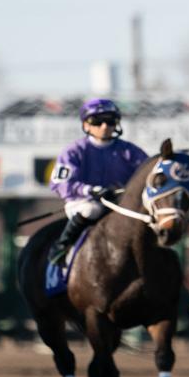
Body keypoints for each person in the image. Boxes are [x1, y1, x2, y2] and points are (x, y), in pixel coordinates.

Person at [47, 98, 150, 264]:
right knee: (91, 210)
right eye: (97, 121)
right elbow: (61, 183)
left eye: (110, 121)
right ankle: (62, 247)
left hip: (121, 203)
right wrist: (89, 190)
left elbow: (148, 175)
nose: (104, 126)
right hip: (84, 201)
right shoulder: (73, 151)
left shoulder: (130, 151)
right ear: (86, 125)